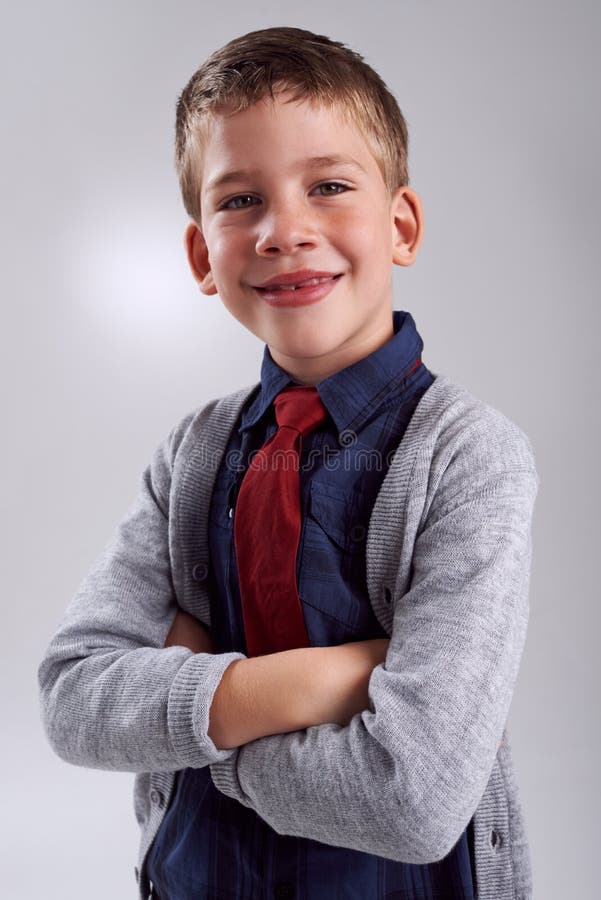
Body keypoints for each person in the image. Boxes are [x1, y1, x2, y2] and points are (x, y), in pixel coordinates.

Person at [38, 26, 539, 900]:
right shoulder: (190, 453)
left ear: (401, 225)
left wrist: (197, 734)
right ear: (201, 254)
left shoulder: (470, 456)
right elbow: (75, 701)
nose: (284, 229)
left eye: (330, 186)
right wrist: (338, 677)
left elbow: (412, 799)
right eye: (238, 201)